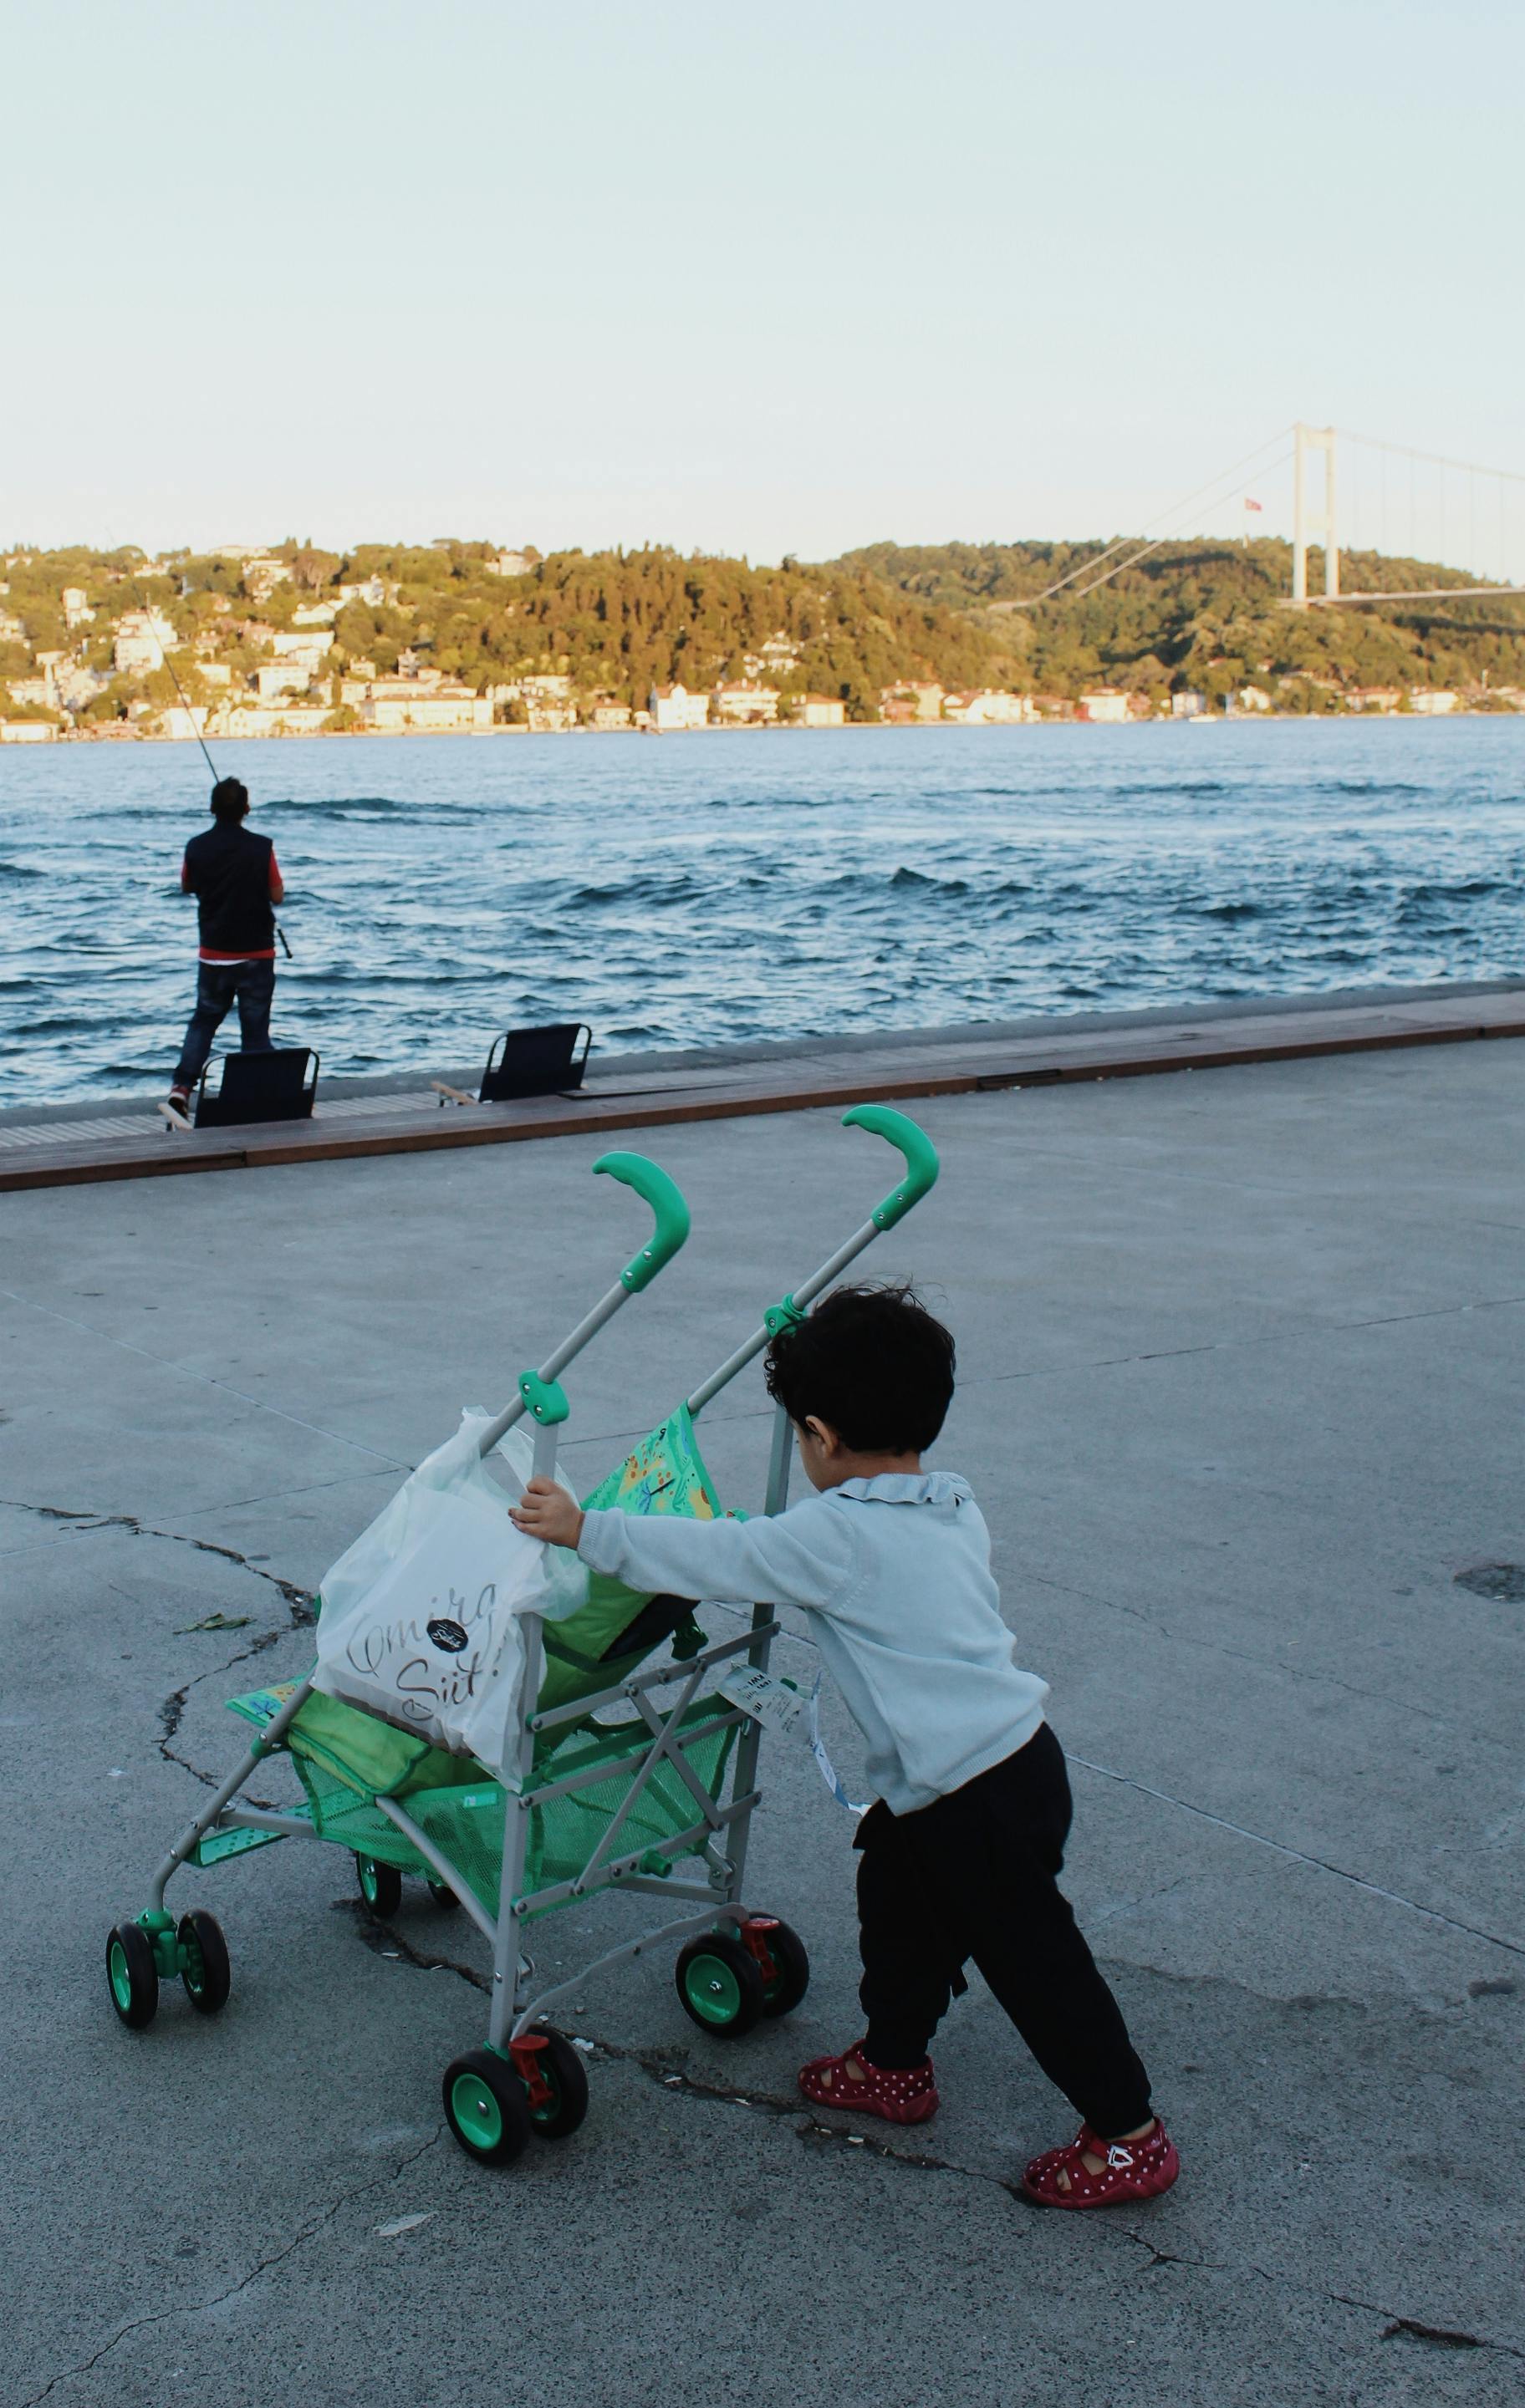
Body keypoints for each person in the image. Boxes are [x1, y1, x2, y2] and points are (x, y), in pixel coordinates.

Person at [511, 1282, 1180, 2208]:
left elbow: (717, 1559)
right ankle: (894, 2062)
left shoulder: (834, 1536)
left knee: (1035, 1966)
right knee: (899, 1904)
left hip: (970, 1794)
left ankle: (1129, 2132)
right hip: (1009, 1763)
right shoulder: (948, 1500)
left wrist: (586, 1530)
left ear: (821, 1437)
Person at [168, 777, 283, 1114]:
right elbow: (277, 895)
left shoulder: (196, 846)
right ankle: (254, 1096)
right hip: (257, 954)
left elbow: (187, 885)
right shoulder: (262, 847)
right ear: (246, 810)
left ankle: (182, 1087)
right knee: (256, 1028)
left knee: (204, 1021)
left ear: (211, 809)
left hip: (214, 953)